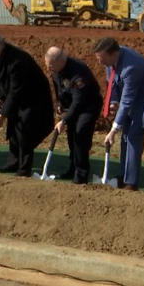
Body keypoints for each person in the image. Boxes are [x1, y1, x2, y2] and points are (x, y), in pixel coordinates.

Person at [0, 33, 54, 177]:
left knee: (24, 132)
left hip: (33, 98)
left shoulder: (17, 60)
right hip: (17, 97)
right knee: (14, 131)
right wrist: (0, 98)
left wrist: (2, 116)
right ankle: (13, 163)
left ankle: (24, 169)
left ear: (1, 44)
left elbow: (16, 90)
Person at [94, 37, 144, 190]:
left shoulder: (131, 66)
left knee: (132, 138)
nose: (99, 62)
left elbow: (127, 100)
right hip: (129, 102)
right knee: (124, 138)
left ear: (113, 54)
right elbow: (113, 82)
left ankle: (131, 182)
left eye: (101, 59)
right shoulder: (110, 60)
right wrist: (113, 101)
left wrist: (113, 129)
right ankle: (123, 176)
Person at [45, 46, 102, 184]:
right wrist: (60, 104)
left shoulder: (78, 72)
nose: (49, 69)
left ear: (61, 61)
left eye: (51, 65)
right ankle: (72, 168)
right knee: (72, 137)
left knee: (80, 133)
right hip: (72, 105)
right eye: (47, 65)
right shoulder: (55, 69)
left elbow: (79, 101)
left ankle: (82, 174)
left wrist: (64, 120)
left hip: (88, 105)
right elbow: (58, 87)